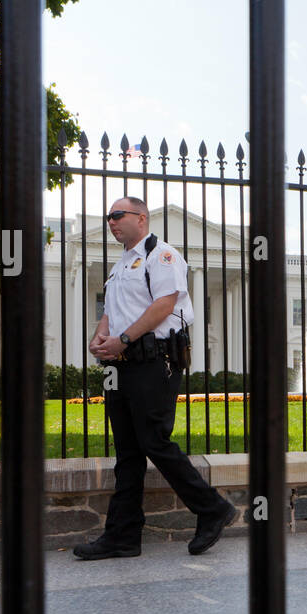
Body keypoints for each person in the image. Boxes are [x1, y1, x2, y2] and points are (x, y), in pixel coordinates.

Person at [73, 197, 236, 560]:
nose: (111, 222)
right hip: (123, 364)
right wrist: (101, 335)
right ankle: (122, 536)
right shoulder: (122, 263)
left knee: (154, 441)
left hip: (154, 361)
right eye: (108, 217)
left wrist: (124, 338)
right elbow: (113, 309)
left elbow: (165, 303)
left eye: (118, 215)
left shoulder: (161, 255)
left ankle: (212, 508)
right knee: (128, 453)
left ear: (141, 218)